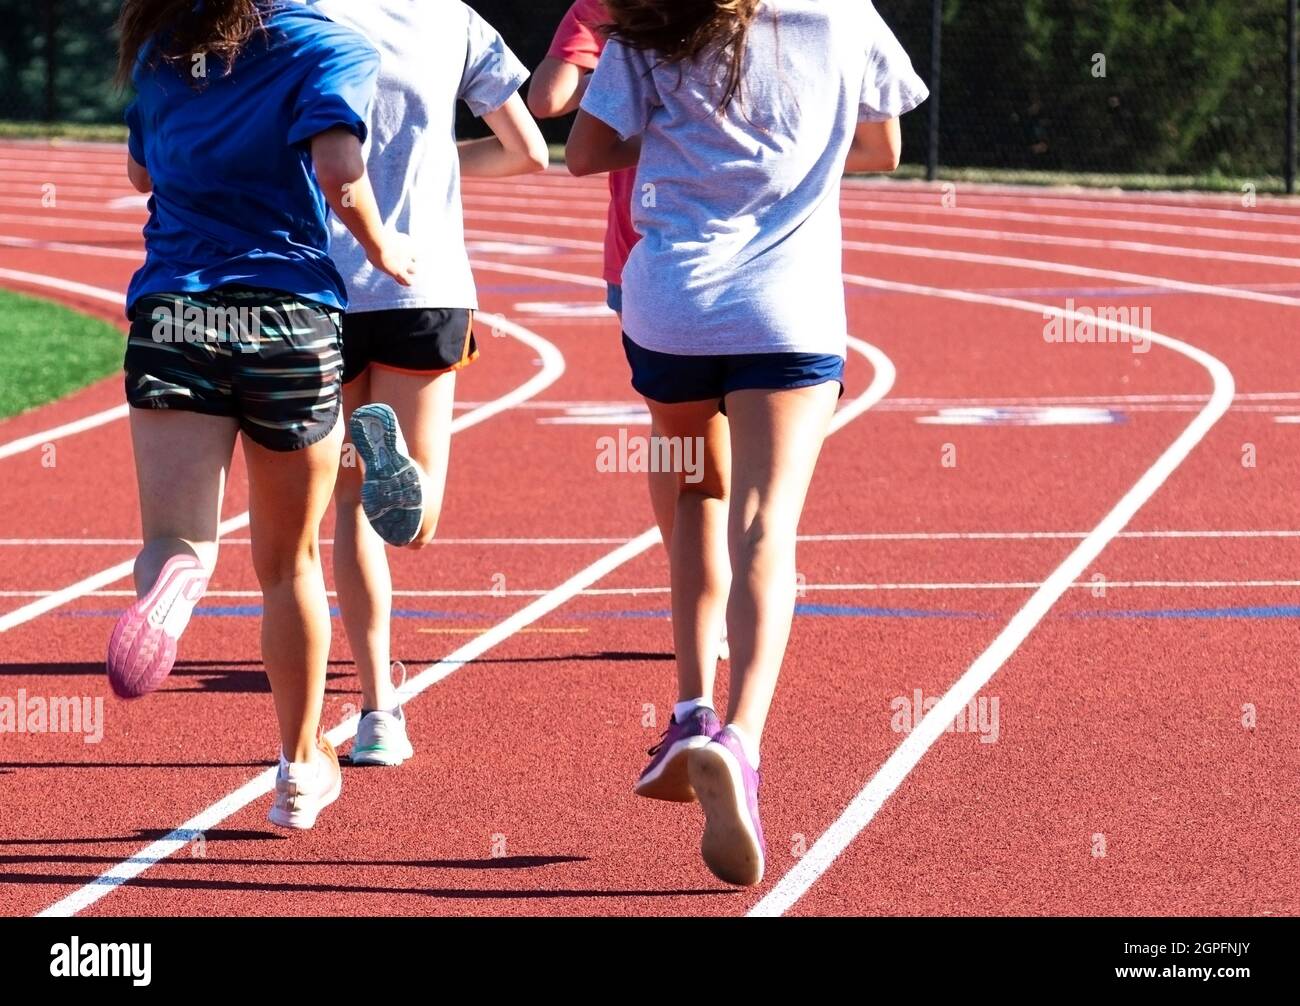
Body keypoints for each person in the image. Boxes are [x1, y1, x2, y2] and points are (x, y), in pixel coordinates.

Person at [568, 0, 927, 885]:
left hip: (671, 310)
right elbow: (881, 148)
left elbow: (583, 152)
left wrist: (680, 138)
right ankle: (743, 735)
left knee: (693, 495)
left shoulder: (655, 16)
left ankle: (689, 709)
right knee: (766, 523)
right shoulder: (845, 16)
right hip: (788, 310)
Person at [108, 0, 415, 829]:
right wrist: (386, 250)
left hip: (174, 314)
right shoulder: (325, 43)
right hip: (288, 320)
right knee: (288, 566)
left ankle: (175, 588)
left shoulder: (162, 44)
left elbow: (143, 173)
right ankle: (298, 765)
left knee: (177, 543)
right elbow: (340, 168)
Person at [311, 0, 548, 765]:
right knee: (412, 523)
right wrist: (443, 161)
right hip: (424, 280)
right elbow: (530, 152)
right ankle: (400, 471)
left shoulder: (301, 14)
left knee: (348, 507)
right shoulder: (453, 18)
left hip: (327, 281)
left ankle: (379, 712)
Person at [531, 1, 733, 776]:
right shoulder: (612, 9)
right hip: (682, 253)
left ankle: (697, 591)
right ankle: (709, 593)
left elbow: (549, 104)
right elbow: (553, 105)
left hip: (651, 257)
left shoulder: (611, 9)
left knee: (691, 460)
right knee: (725, 463)